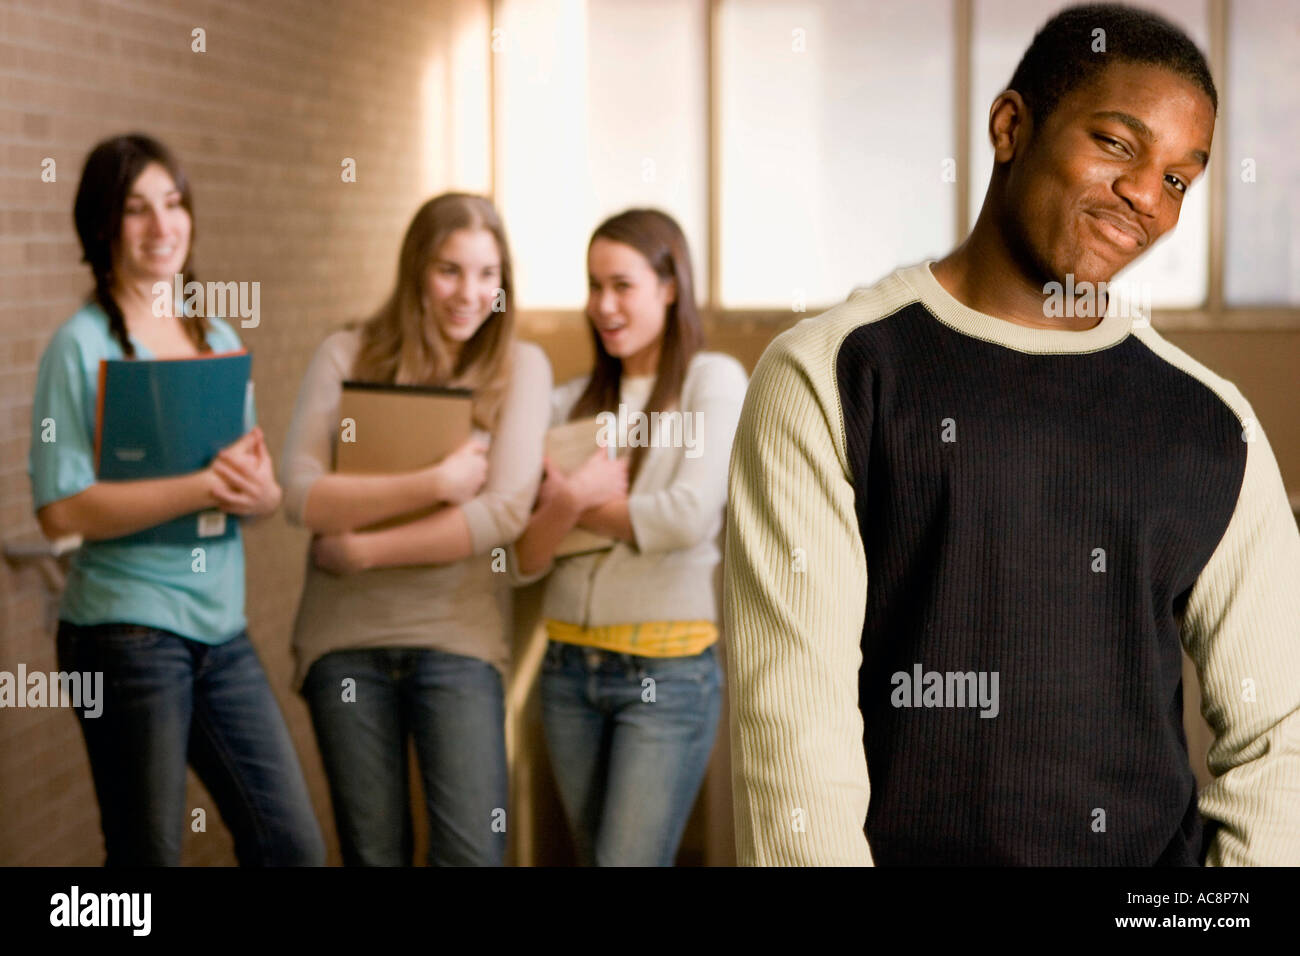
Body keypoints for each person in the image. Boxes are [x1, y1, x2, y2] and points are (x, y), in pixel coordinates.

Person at [725, 3, 1300, 866]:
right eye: (1117, 143)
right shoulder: (830, 375)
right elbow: (794, 740)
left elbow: (1278, 732)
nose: (1147, 194)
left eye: (1180, 178)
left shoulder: (1211, 424)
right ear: (1010, 125)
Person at [28, 133, 324, 866]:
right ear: (103, 225)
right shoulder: (81, 344)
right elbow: (61, 509)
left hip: (221, 634)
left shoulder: (215, 333)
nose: (162, 226)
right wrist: (197, 488)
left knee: (292, 846)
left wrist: (261, 494)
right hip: (125, 635)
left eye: (173, 204)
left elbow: (250, 488)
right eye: (136, 209)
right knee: (146, 859)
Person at [281, 192, 551, 866]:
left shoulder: (523, 368)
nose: (470, 293)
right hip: (344, 643)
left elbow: (503, 513)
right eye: (450, 270)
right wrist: (434, 486)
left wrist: (364, 548)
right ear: (415, 273)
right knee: (375, 856)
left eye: (488, 275)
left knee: (472, 854)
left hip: (457, 642)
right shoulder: (347, 353)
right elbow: (300, 491)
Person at [511, 209, 748, 865]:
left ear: (669, 287)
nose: (603, 305)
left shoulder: (713, 380)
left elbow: (685, 516)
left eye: (622, 285)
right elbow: (522, 560)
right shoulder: (567, 402)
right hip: (568, 673)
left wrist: (568, 503)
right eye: (593, 286)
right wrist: (572, 505)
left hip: (666, 675)